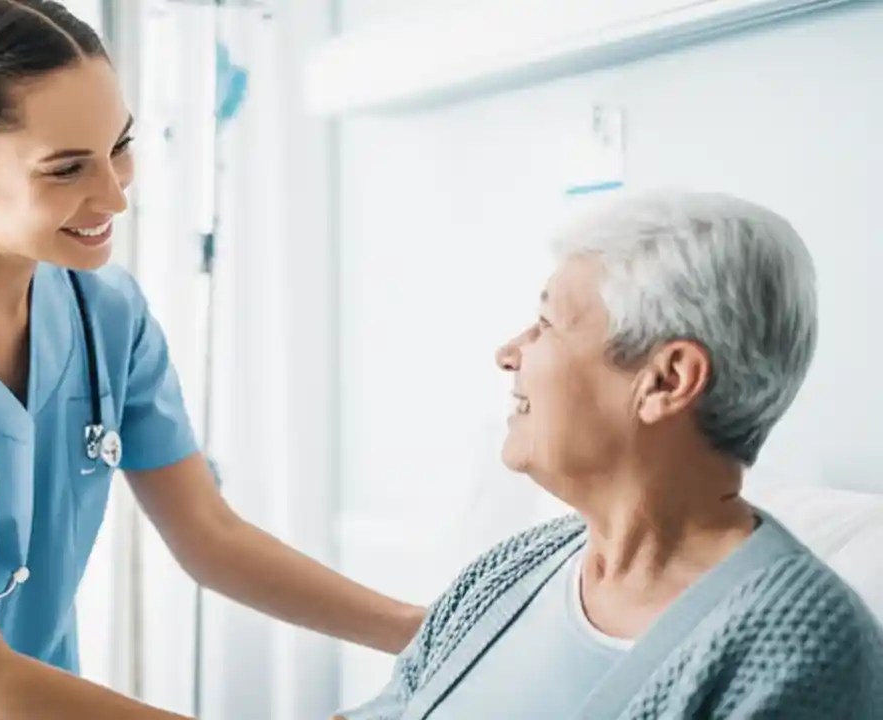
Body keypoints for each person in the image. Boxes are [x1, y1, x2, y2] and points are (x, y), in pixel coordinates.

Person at [0, 2, 424, 718]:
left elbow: (210, 535)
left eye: (121, 146)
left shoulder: (108, 314)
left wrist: (422, 633)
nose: (114, 192)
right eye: (67, 168)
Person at [336, 190, 883, 720]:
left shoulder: (800, 644)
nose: (509, 354)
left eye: (547, 324)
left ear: (667, 380)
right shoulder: (512, 570)